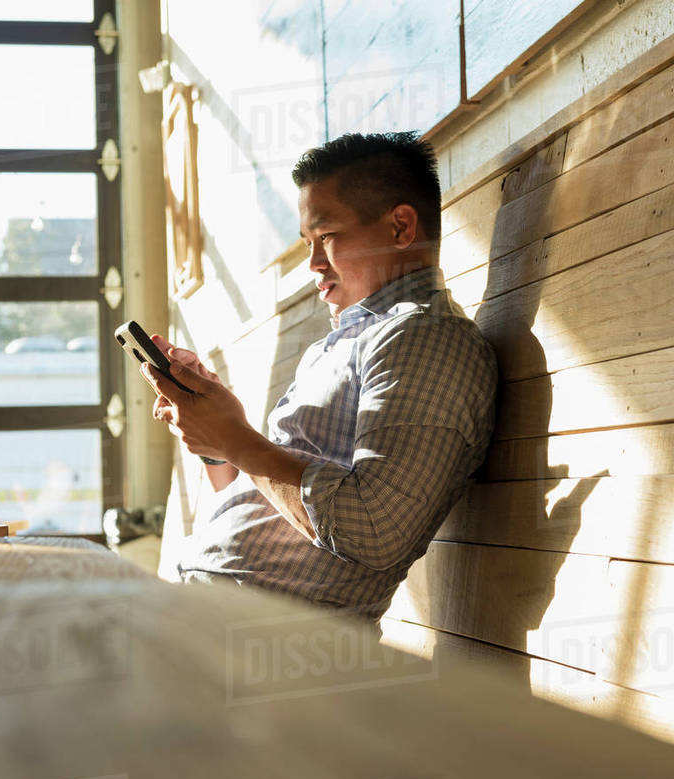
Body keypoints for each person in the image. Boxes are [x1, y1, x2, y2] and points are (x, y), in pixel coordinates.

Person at [141, 131, 497, 625]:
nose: (312, 264)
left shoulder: (426, 337)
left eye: (325, 236)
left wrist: (233, 437)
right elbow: (273, 510)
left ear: (400, 227)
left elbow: (374, 530)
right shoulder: (347, 341)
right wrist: (215, 442)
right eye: (308, 242)